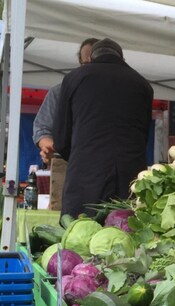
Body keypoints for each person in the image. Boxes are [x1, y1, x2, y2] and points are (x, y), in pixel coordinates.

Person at [54, 38, 153, 218]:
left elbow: (61, 139)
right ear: (122, 59)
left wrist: (82, 155)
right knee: (127, 235)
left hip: (85, 178)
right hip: (129, 178)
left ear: (91, 58)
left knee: (79, 238)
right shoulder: (142, 84)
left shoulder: (74, 78)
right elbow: (143, 137)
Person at [34, 38, 98, 163]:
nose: (90, 68)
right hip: (67, 164)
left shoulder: (112, 95)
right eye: (86, 64)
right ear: (80, 61)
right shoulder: (59, 92)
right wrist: (49, 146)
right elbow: (42, 128)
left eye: (94, 63)